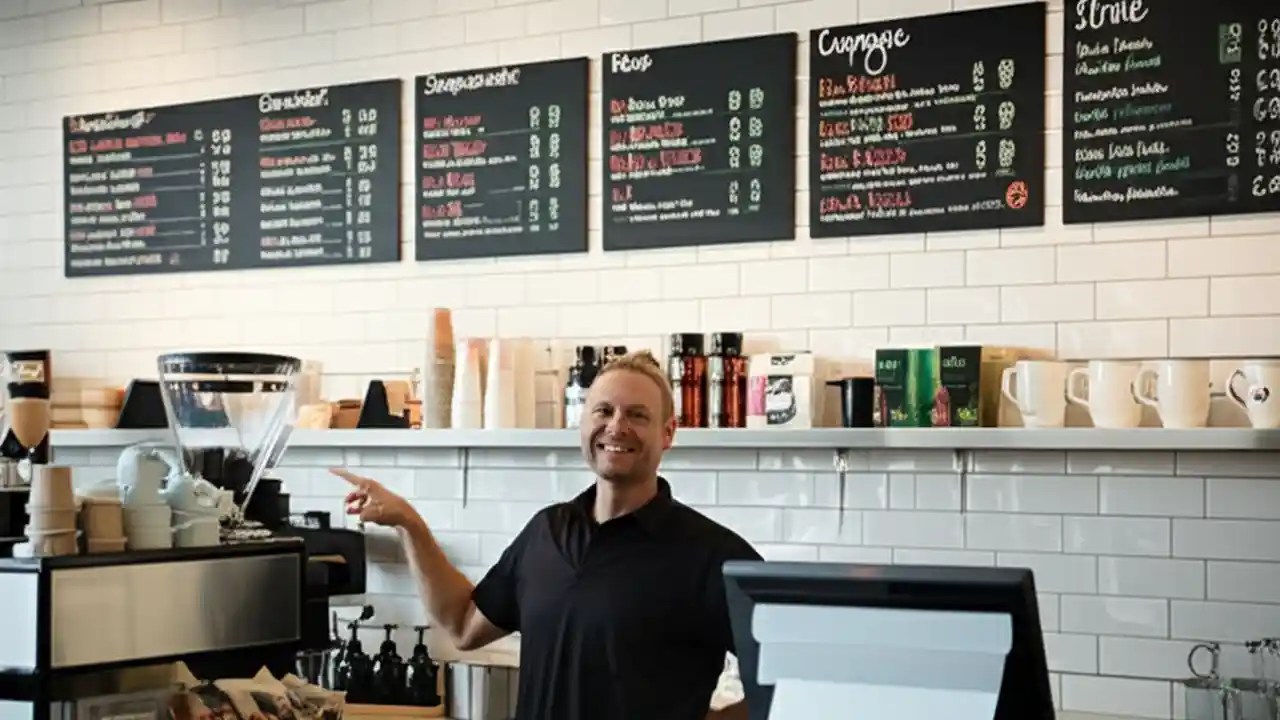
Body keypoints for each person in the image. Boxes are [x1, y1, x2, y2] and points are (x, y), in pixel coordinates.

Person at [332, 350, 760, 720]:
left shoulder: (710, 555)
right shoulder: (547, 533)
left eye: (638, 415)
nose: (617, 426)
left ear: (668, 434)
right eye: (604, 411)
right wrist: (409, 522)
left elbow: (795, 675)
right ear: (583, 422)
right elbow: (462, 625)